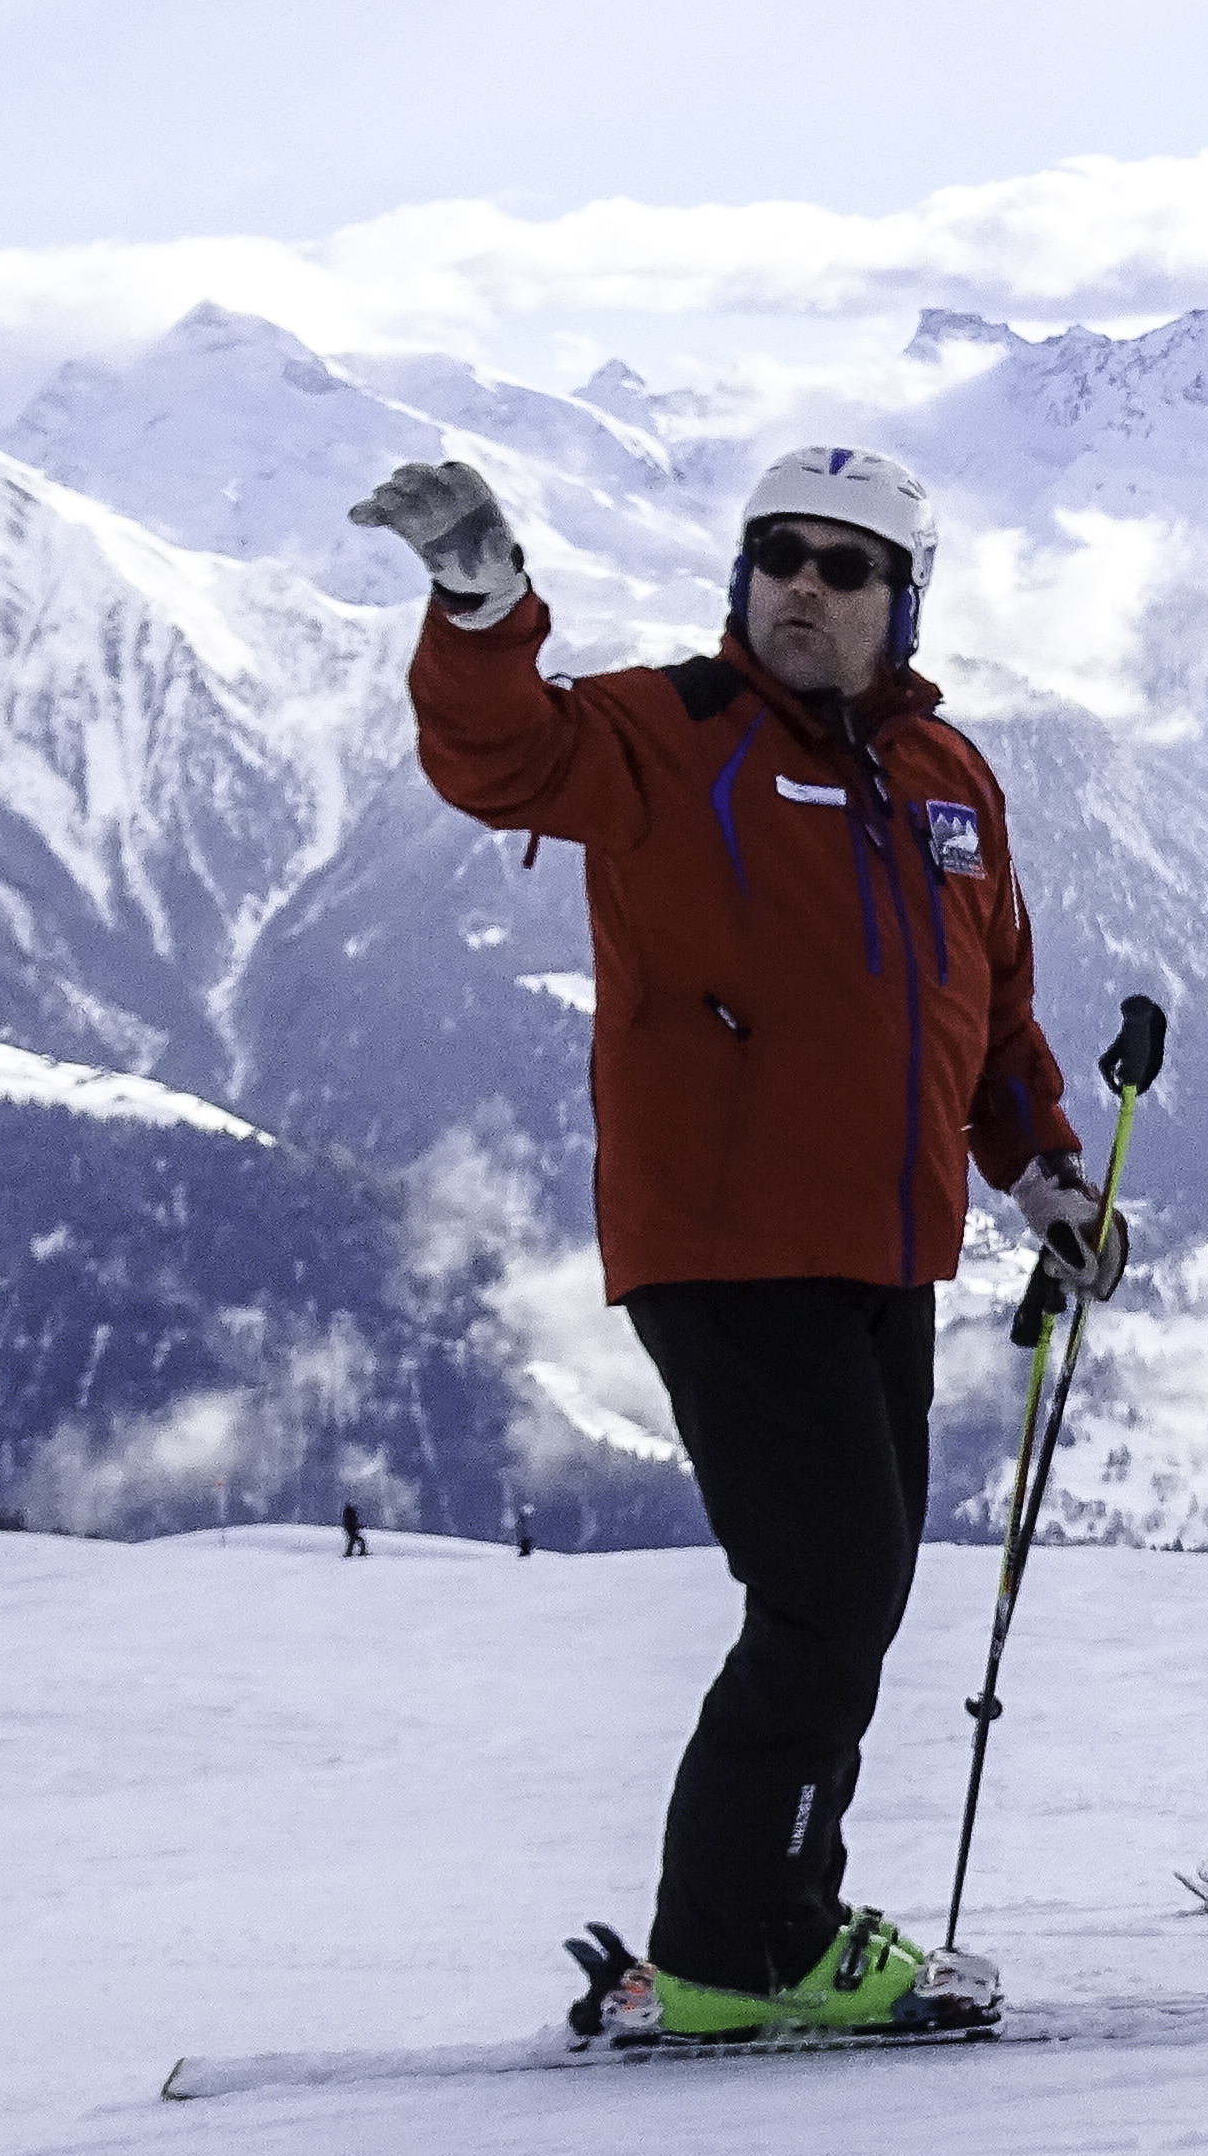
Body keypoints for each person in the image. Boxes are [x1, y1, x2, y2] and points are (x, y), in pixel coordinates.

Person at [363, 443, 1131, 2044]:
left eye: (846, 566)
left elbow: (987, 1009)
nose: (804, 583)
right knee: (828, 1588)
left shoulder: (949, 782)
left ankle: (778, 1910)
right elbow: (499, 758)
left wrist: (1044, 1169)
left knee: (851, 1595)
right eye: (779, 552)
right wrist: (481, 603)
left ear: (899, 602)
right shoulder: (668, 733)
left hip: (886, 1247)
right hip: (721, 1242)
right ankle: (738, 1945)